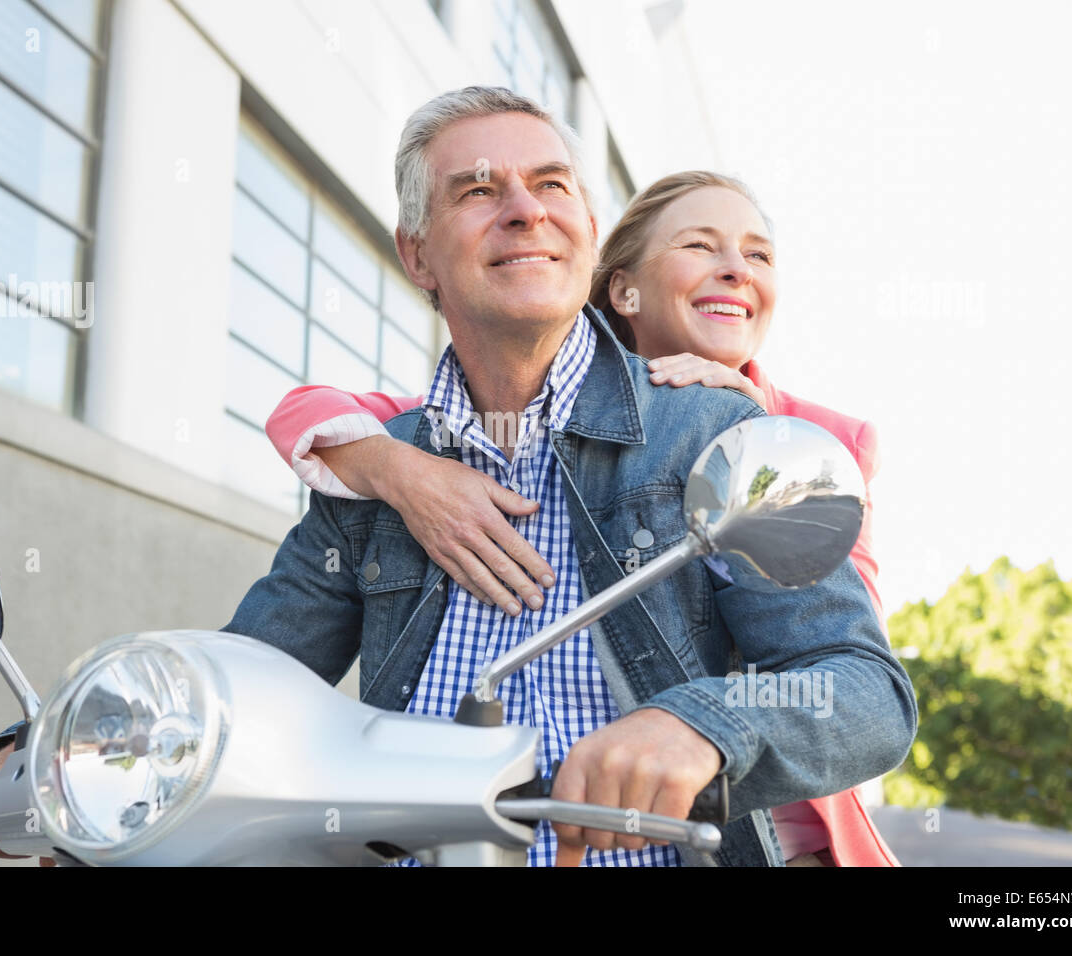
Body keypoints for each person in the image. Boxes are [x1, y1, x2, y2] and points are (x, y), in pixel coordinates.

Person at [0, 86, 916, 867]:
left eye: (551, 185)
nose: (525, 209)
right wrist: (51, 755)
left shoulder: (714, 430)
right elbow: (235, 679)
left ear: (587, 230)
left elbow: (864, 689)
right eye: (477, 191)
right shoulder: (376, 474)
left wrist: (699, 724)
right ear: (417, 254)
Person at [265, 171, 894, 865]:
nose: (736, 270)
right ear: (623, 290)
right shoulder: (433, 436)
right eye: (699, 245)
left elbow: (854, 672)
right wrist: (395, 470)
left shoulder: (786, 439)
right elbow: (309, 413)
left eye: (759, 254)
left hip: (779, 824)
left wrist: (702, 727)